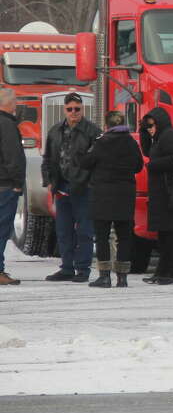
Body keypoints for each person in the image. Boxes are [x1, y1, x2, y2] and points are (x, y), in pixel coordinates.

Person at [79, 111, 144, 288]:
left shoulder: (101, 143)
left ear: (107, 125)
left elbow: (86, 162)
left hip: (103, 196)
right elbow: (138, 166)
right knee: (124, 237)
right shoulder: (131, 143)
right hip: (125, 195)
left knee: (102, 237)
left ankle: (105, 276)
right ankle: (122, 278)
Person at [42, 92, 101, 282]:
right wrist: (49, 181)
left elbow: (97, 161)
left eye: (77, 108)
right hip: (61, 186)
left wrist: (87, 182)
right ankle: (66, 267)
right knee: (63, 230)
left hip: (84, 188)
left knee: (84, 231)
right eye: (70, 109)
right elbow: (48, 158)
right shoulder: (55, 131)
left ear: (82, 109)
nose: (74, 112)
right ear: (64, 110)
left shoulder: (92, 131)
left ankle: (83, 269)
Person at [139, 107, 173, 285]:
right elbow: (147, 151)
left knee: (171, 235)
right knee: (164, 235)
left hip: (170, 193)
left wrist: (153, 165)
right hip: (162, 193)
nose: (150, 129)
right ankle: (163, 271)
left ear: (160, 122)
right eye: (147, 127)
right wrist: (143, 132)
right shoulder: (159, 137)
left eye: (152, 126)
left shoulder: (169, 136)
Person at [0, 87, 26, 286]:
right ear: (8, 103)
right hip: (5, 185)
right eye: (15, 101)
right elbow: (13, 156)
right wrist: (18, 183)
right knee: (2, 229)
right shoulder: (7, 124)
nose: (16, 104)